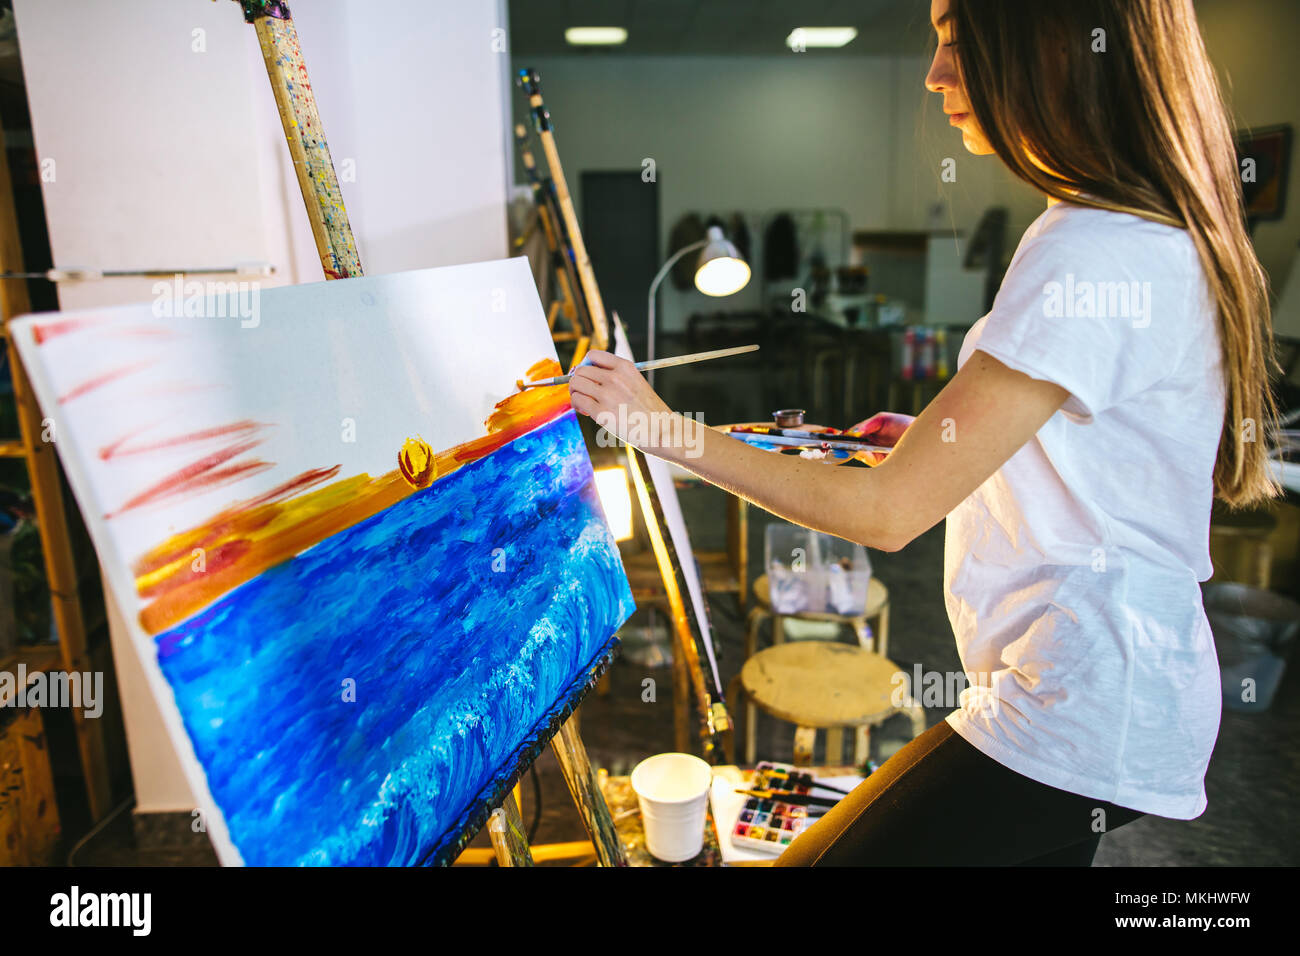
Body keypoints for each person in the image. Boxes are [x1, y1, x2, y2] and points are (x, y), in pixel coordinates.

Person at [568, 0, 1282, 865]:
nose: (935, 73)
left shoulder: (1093, 248)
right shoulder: (1147, 229)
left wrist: (658, 427)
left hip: (1075, 705)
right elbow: (1097, 452)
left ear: (1048, 41)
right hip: (1117, 692)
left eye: (956, 39)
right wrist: (940, 437)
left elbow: (884, 513)